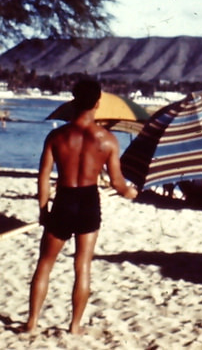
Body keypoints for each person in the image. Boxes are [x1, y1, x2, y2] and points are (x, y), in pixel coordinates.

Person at [25, 79, 139, 335]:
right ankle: (75, 327)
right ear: (98, 103)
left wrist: (44, 210)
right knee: (82, 266)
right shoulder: (107, 140)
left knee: (45, 263)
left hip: (64, 200)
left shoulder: (57, 136)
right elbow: (118, 183)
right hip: (89, 202)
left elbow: (43, 176)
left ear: (73, 101)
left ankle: (32, 323)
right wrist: (130, 192)